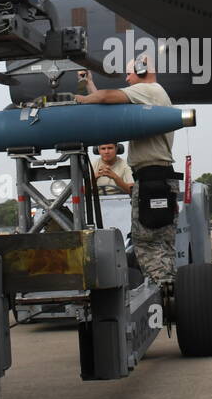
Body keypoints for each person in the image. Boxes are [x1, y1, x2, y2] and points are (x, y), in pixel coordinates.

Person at [75, 56, 177, 283]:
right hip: (162, 178)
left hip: (150, 179)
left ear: (141, 71)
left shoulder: (147, 89)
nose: (127, 78)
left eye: (129, 74)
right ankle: (171, 289)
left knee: (144, 240)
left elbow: (106, 97)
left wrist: (80, 99)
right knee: (163, 241)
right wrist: (90, 84)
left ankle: (161, 287)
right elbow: (108, 104)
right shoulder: (155, 94)